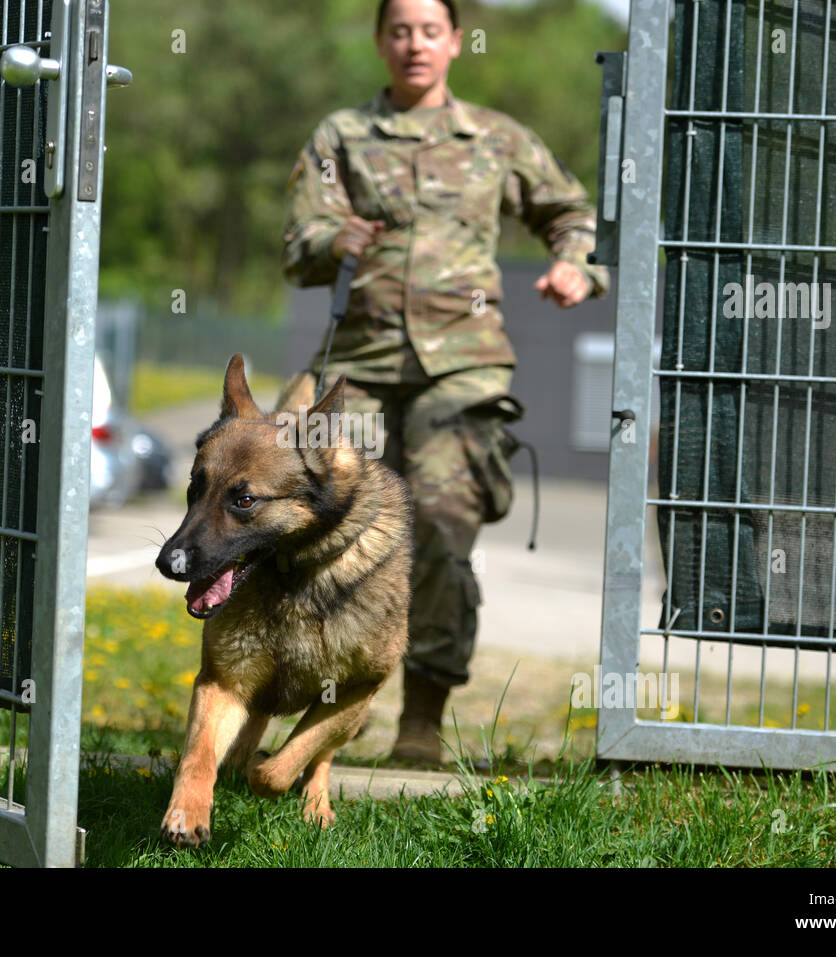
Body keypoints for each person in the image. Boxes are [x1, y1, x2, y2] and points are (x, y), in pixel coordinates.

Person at [279, 0, 609, 764]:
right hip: (356, 365)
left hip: (462, 364)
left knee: (438, 522)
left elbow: (572, 213)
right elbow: (298, 245)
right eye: (400, 30)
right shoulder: (342, 136)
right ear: (380, 41)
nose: (414, 44)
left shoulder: (495, 138)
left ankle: (421, 717)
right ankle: (303, 703)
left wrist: (576, 267)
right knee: (310, 521)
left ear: (456, 42)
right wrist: (336, 236)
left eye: (430, 30)